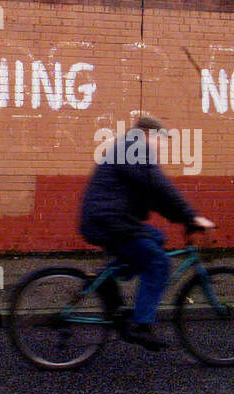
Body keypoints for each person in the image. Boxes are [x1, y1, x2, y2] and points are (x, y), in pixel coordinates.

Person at [79, 116, 215, 350]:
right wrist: (190, 216)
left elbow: (155, 196)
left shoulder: (131, 150)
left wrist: (183, 218)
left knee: (155, 238)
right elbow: (159, 185)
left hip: (111, 219)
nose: (163, 145)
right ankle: (141, 325)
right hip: (109, 221)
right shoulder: (134, 148)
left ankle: (106, 280)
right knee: (158, 262)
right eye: (161, 139)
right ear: (148, 134)